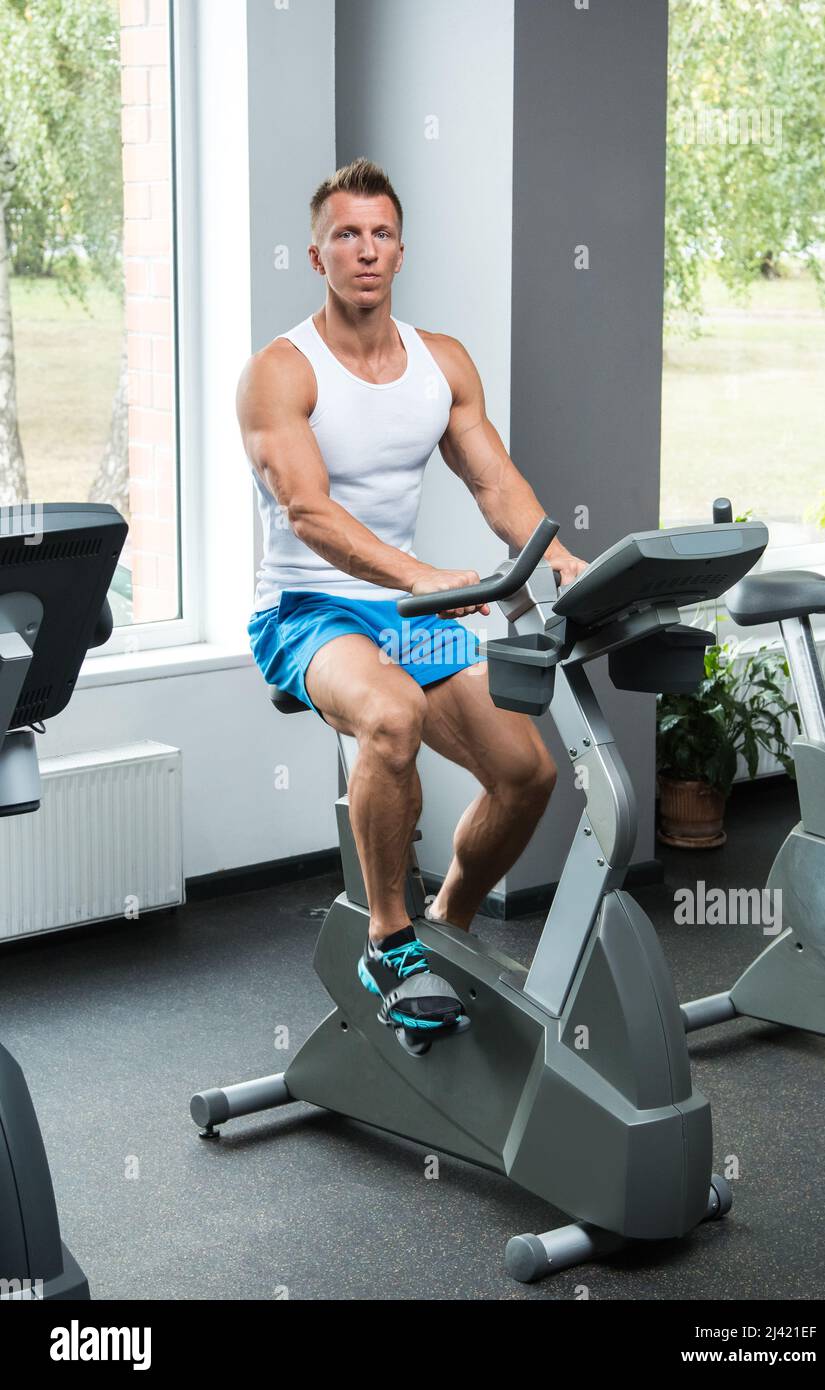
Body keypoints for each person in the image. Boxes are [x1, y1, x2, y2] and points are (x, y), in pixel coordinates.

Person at [239, 157, 587, 1038]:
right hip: (309, 613)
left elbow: (494, 482)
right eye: (346, 236)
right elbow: (309, 513)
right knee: (389, 719)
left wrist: (558, 559)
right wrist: (421, 578)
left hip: (406, 612)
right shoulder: (283, 371)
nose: (365, 251)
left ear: (402, 251)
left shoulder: (441, 363)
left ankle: (447, 930)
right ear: (316, 257)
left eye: (381, 234)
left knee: (527, 774)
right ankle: (388, 939)